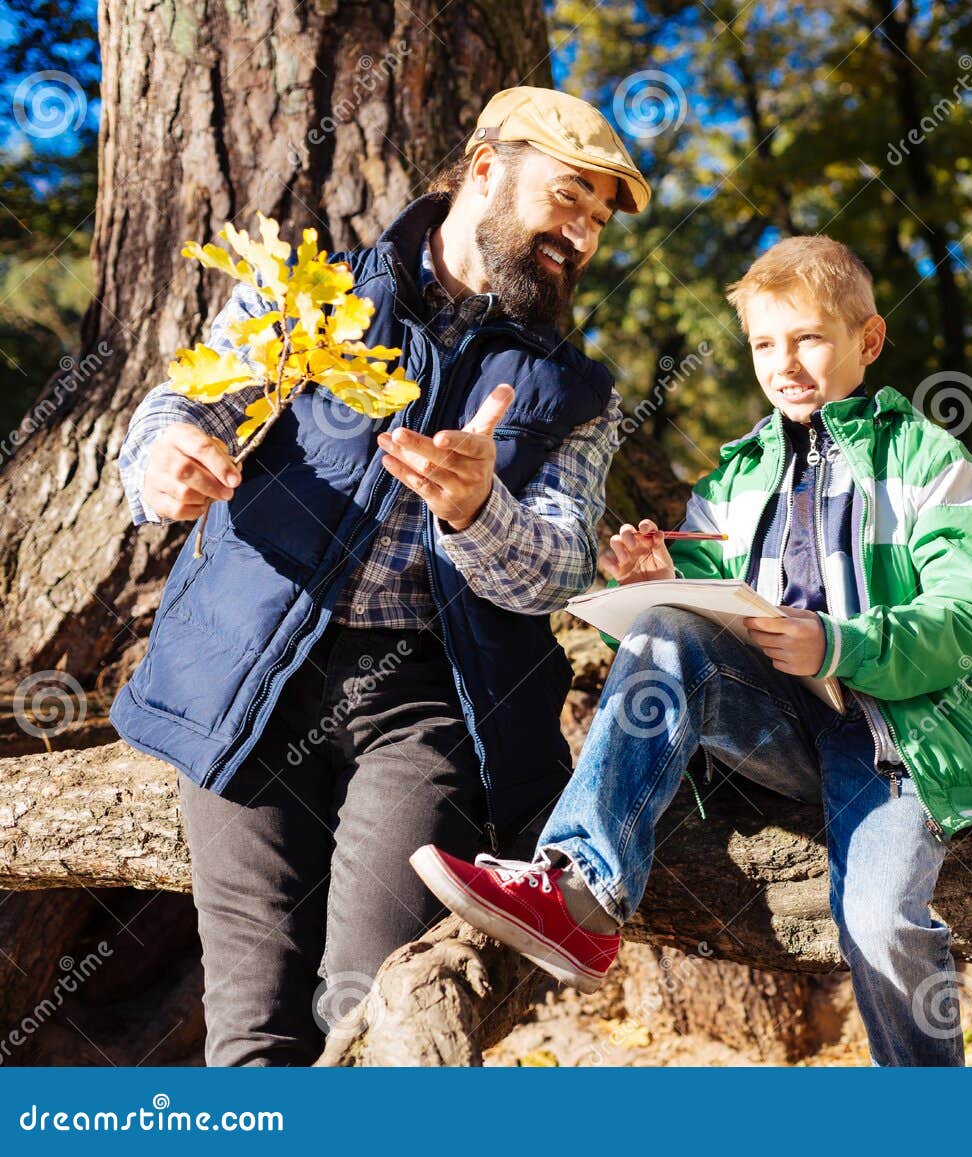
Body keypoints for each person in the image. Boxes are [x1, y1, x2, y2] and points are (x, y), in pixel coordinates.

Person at [110, 87, 651, 1066]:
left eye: (598, 218)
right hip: (242, 677)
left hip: (422, 707)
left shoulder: (578, 391)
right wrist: (164, 464)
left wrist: (477, 509)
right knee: (255, 1028)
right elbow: (177, 409)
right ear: (484, 169)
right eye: (569, 196)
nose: (581, 232)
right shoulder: (305, 291)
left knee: (367, 1019)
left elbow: (560, 567)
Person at [412, 235, 972, 1065]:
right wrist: (657, 582)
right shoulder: (735, 480)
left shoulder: (926, 461)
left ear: (867, 342)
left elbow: (970, 614)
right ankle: (580, 891)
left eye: (809, 337)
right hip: (782, 731)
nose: (787, 364)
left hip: (900, 739)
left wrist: (837, 642)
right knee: (668, 629)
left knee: (878, 921)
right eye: (765, 344)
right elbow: (693, 628)